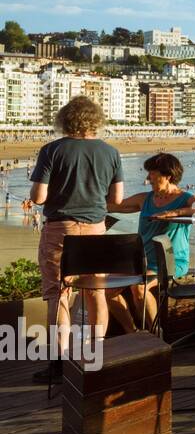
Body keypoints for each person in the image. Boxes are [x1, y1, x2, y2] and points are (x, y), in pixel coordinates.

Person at [28, 96, 124, 384]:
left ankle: (59, 364)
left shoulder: (51, 150)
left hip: (60, 230)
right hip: (96, 230)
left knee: (59, 296)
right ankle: (96, 356)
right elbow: (116, 200)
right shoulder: (110, 152)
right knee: (95, 293)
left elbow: (38, 197)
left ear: (65, 120)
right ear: (96, 120)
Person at [106, 152, 195, 332]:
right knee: (107, 289)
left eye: (152, 173)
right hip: (141, 262)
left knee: (139, 287)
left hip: (171, 262)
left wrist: (175, 213)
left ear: (168, 176)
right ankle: (132, 332)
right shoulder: (145, 198)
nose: (147, 178)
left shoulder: (183, 198)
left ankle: (156, 333)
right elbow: (114, 206)